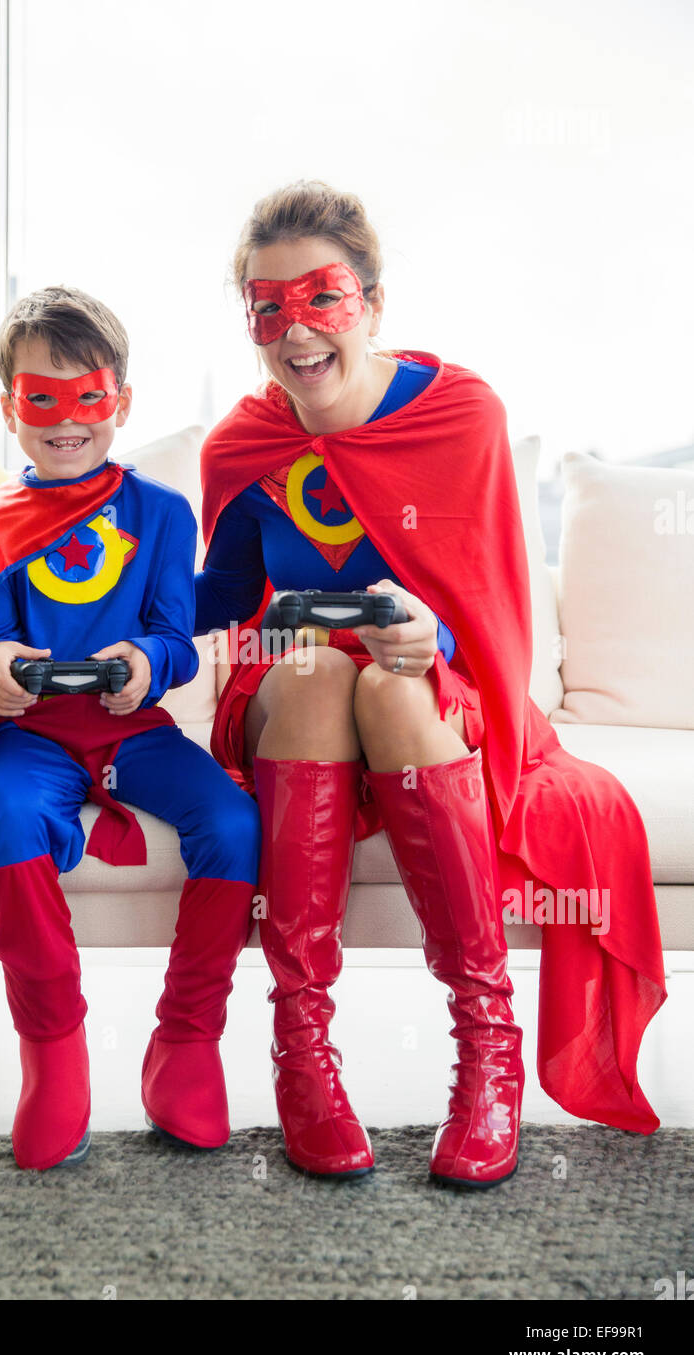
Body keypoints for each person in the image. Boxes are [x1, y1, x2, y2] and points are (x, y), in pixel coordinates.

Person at [195, 180, 667, 1187]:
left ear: (368, 301)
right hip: (290, 688)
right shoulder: (243, 441)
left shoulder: (457, 413)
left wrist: (425, 631)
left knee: (382, 686)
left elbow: (489, 596)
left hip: (427, 686)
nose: (295, 329)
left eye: (320, 297)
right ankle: (301, 1052)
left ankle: (487, 1052)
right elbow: (225, 596)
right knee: (322, 668)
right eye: (266, 307)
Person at [0, 286, 260, 1170]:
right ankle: (53, 1049)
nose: (67, 423)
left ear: (122, 404)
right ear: (10, 410)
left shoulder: (162, 516)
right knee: (9, 821)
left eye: (88, 399)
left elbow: (179, 639)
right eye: (42, 401)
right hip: (34, 737)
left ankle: (187, 1043)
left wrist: (146, 662)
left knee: (231, 821)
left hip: (135, 728)